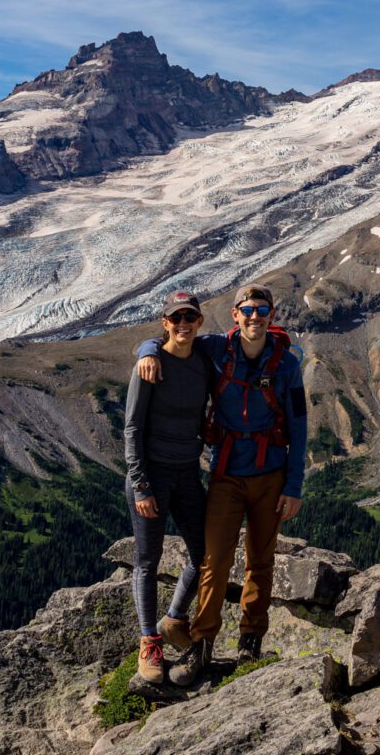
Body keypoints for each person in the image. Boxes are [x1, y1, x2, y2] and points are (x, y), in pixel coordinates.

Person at [134, 283, 308, 686]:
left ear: (272, 314)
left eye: (261, 310)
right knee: (214, 560)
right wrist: (145, 349)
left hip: (271, 473)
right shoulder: (217, 348)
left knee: (260, 561)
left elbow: (299, 427)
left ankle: (250, 640)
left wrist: (294, 486)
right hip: (227, 472)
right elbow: (171, 335)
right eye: (247, 310)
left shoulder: (286, 364)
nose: (254, 317)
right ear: (235, 314)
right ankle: (202, 643)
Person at [123, 290, 212, 684]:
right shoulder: (150, 364)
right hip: (153, 475)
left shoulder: (205, 360)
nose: (183, 325)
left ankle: (174, 618)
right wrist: (141, 486)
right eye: (175, 319)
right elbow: (131, 428)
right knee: (147, 560)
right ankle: (149, 643)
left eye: (189, 318)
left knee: (203, 553)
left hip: (188, 472)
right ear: (165, 324)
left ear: (199, 323)